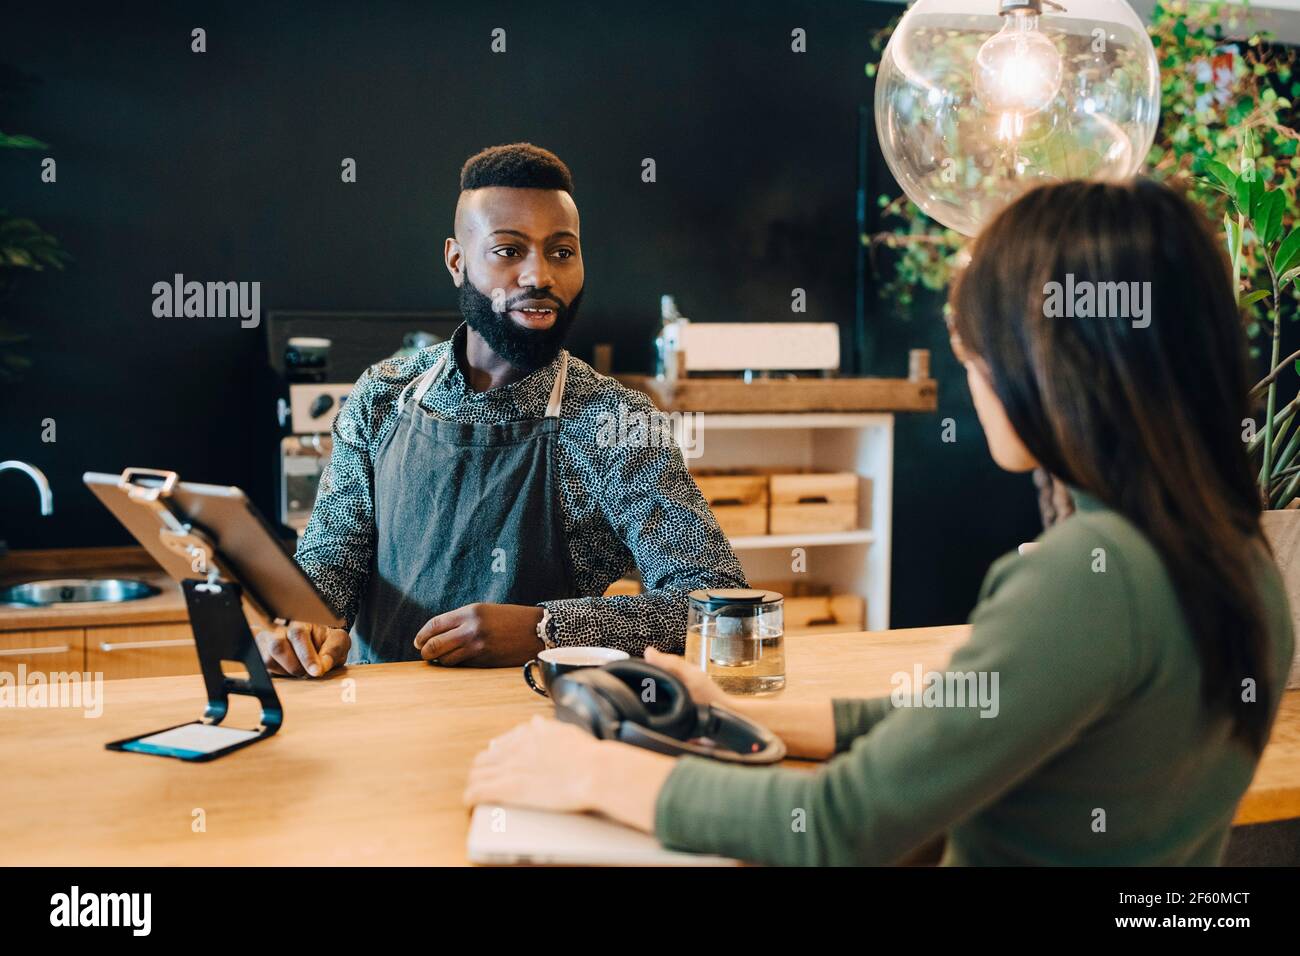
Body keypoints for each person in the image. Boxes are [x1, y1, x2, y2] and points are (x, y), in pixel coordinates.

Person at [465, 178, 1296, 865]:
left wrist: (594, 773)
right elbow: (966, 722)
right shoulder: (1239, 558)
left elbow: (840, 825)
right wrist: (733, 705)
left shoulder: (1087, 577)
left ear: (1054, 362)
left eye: (977, 352)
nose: (974, 380)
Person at [259, 142, 745, 676]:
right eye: (508, 250)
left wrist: (546, 630)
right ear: (456, 260)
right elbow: (330, 562)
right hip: (384, 726)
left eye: (561, 252)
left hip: (537, 726)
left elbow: (718, 607)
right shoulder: (382, 394)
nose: (539, 276)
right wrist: (302, 625)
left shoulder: (615, 422)